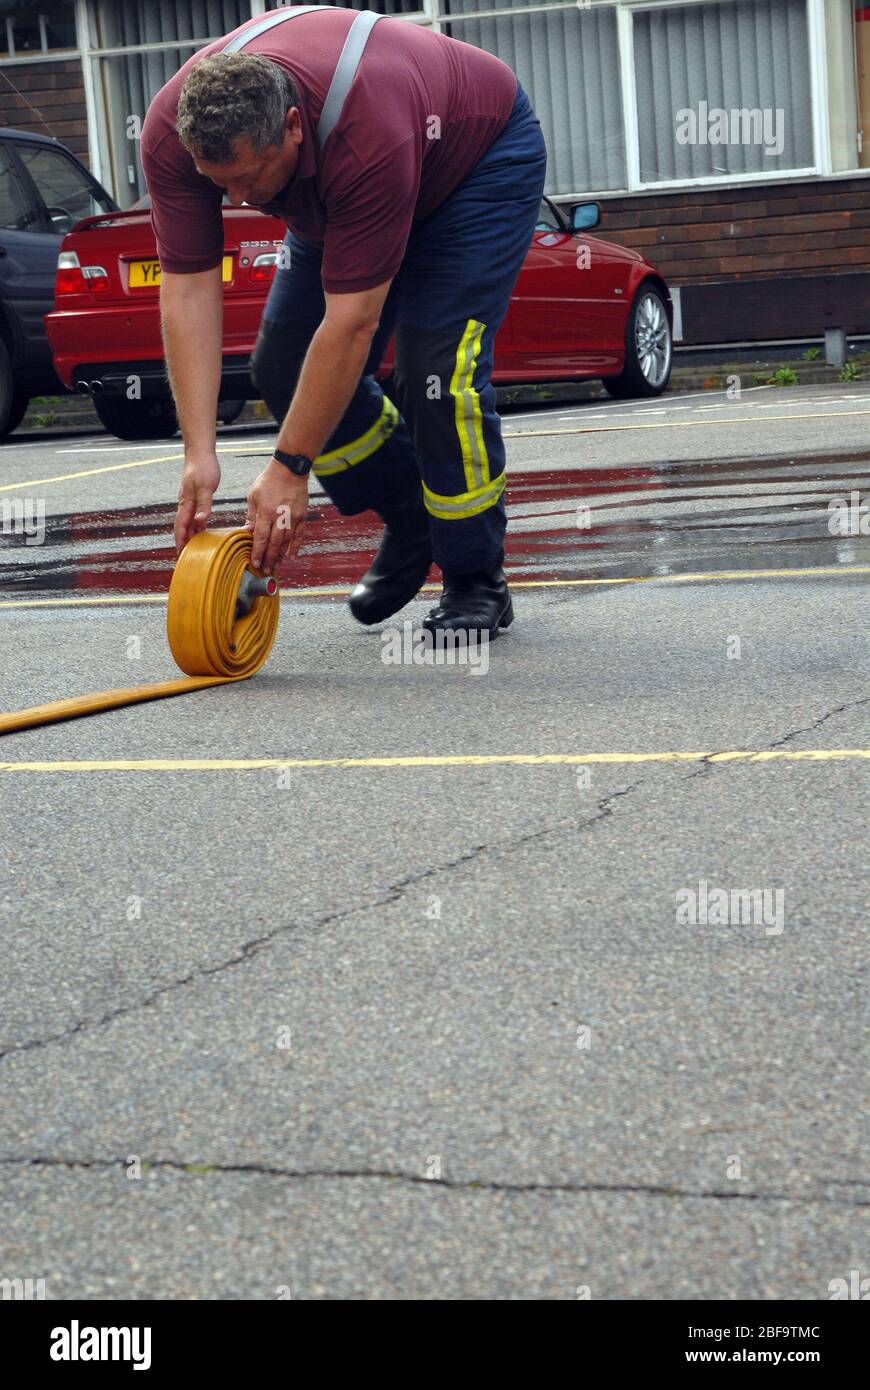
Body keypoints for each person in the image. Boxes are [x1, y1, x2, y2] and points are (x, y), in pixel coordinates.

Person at [141, 5, 547, 635]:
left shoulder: (365, 132)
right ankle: (410, 513)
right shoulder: (171, 135)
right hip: (339, 193)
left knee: (436, 372)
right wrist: (199, 452)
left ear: (294, 127)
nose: (240, 200)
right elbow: (189, 290)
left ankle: (475, 577)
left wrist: (289, 468)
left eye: (248, 178)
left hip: (473, 168)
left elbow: (354, 322)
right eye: (218, 184)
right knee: (281, 362)